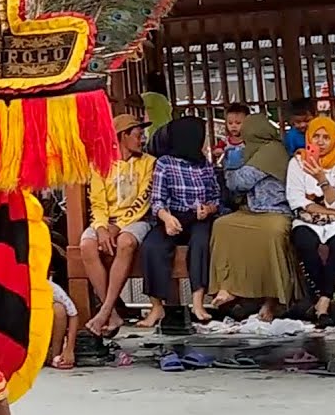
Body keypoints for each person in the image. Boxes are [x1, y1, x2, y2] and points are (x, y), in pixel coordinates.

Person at [208, 112, 295, 323]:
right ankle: (228, 286)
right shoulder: (253, 151)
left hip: (275, 211)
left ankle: (272, 299)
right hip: (252, 211)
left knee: (270, 234)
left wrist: (230, 167)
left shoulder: (271, 151)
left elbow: (240, 182)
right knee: (222, 226)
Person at [139, 116, 220, 327]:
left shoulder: (205, 165)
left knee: (201, 243)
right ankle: (157, 307)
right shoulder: (164, 163)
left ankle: (198, 302)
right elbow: (157, 199)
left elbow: (216, 197)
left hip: (198, 219)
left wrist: (208, 208)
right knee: (151, 246)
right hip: (171, 216)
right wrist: (166, 218)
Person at [81, 114, 155, 336]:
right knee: (86, 245)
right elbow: (97, 201)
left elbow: (144, 200)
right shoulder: (100, 164)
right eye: (138, 135)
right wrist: (102, 228)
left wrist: (118, 226)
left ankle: (103, 312)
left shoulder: (149, 163)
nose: (142, 139)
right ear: (123, 136)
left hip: (135, 221)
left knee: (125, 242)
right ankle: (111, 312)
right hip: (106, 222)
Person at [287, 115, 335, 326]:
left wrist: (322, 180)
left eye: (326, 137)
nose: (320, 141)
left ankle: (322, 302)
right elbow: (296, 200)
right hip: (308, 219)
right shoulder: (297, 161)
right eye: (316, 136)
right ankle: (326, 303)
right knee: (304, 242)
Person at [48, 279, 77, 370]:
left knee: (59, 309)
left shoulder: (51, 288)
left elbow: (73, 314)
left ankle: (55, 354)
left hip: (44, 333)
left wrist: (69, 349)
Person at [213, 102, 250, 170]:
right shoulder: (225, 141)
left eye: (238, 123)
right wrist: (218, 151)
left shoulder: (249, 140)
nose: (233, 126)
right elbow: (216, 150)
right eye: (230, 123)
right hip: (228, 171)